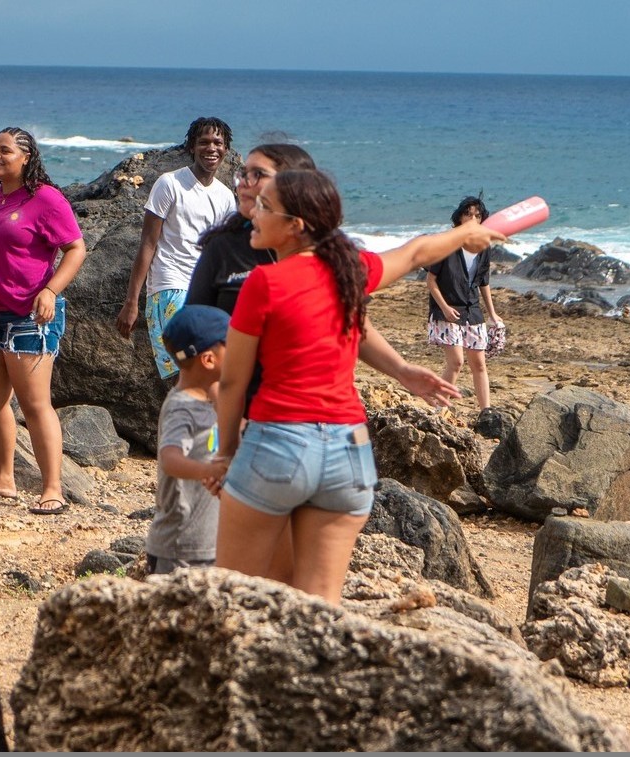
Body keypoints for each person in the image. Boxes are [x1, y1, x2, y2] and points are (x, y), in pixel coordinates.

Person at [210, 168, 501, 603]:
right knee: (320, 608)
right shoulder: (351, 270)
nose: (253, 212)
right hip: (349, 451)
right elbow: (417, 252)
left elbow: (233, 380)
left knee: (232, 597)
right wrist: (466, 233)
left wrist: (226, 452)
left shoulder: (263, 283)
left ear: (295, 226)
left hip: (279, 443)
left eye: (265, 207)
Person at [0, 128, 88, 515]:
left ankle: (53, 488)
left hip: (30, 316)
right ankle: (3, 480)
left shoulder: (46, 199)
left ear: (26, 158)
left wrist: (51, 291)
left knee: (35, 404)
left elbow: (75, 248)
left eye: (5, 151)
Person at [116, 117, 235, 380]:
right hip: (171, 288)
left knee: (209, 375)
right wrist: (131, 302)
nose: (211, 148)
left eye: (218, 143)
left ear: (226, 149)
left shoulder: (226, 196)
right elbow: (148, 243)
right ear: (192, 147)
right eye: (203, 142)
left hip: (205, 293)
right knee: (186, 373)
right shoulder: (169, 184)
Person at [185, 143, 317, 313]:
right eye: (243, 174)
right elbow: (193, 321)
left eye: (258, 174)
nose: (243, 183)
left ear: (296, 185)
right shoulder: (223, 247)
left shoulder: (328, 250)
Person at [147, 304, 230, 575]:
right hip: (179, 548)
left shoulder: (211, 397)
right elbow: (170, 459)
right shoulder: (181, 407)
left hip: (209, 542)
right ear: (209, 360)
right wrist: (209, 470)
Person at [426, 195, 502, 413]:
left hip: (472, 310)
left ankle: (486, 412)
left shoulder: (483, 245)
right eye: (468, 214)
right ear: (459, 217)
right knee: (456, 362)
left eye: (477, 215)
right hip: (447, 310)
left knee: (479, 364)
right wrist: (444, 308)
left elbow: (483, 282)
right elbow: (430, 281)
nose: (472, 219)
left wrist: (492, 314)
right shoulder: (447, 243)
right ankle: (439, 409)